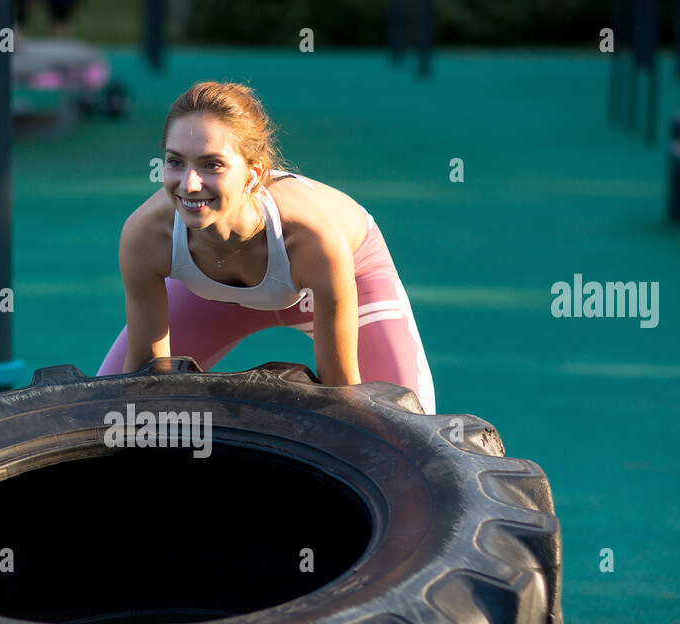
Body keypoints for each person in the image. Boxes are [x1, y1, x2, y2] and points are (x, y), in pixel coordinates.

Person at [97, 81, 436, 413]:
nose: (189, 184)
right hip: (210, 296)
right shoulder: (147, 235)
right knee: (107, 408)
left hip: (346, 275)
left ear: (253, 174)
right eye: (175, 162)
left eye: (211, 164)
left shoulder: (311, 238)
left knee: (410, 431)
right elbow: (143, 382)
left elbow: (341, 393)